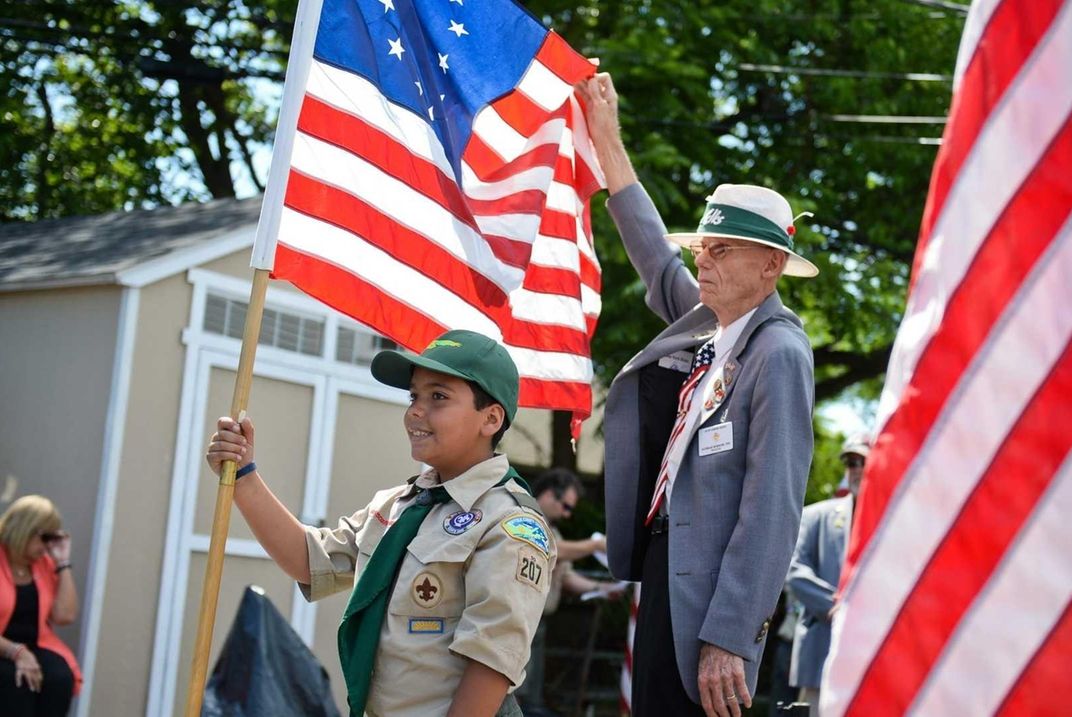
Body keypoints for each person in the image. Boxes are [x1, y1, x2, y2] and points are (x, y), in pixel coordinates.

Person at [580, 72, 817, 717]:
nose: (703, 262)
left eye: (721, 250)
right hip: (668, 576)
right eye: (702, 248)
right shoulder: (711, 324)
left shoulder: (778, 351)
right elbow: (656, 257)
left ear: (770, 267)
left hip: (711, 611)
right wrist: (607, 139)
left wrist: (731, 636)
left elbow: (772, 510)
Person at [205, 330, 556, 717]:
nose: (415, 411)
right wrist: (244, 476)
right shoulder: (401, 505)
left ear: (490, 418)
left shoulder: (509, 523)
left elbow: (491, 665)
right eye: (414, 396)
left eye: (438, 397)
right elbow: (310, 561)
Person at [518, 468, 613, 716]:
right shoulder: (523, 516)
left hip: (537, 625)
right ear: (549, 495)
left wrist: (602, 589)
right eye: (566, 507)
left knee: (529, 697)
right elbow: (554, 549)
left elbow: (566, 575)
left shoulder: (552, 528)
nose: (567, 515)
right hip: (518, 623)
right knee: (515, 694)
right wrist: (594, 545)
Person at [785, 434, 868, 711]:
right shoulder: (815, 516)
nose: (856, 469)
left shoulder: (893, 520)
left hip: (872, 655)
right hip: (822, 650)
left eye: (862, 462)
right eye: (851, 462)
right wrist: (839, 607)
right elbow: (795, 570)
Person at [0, 495, 81, 717]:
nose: (48, 546)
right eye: (46, 538)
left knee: (59, 677)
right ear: (24, 530)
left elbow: (64, 616)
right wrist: (16, 652)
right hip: (3, 646)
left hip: (35, 644)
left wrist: (62, 563)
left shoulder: (43, 564)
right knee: (16, 682)